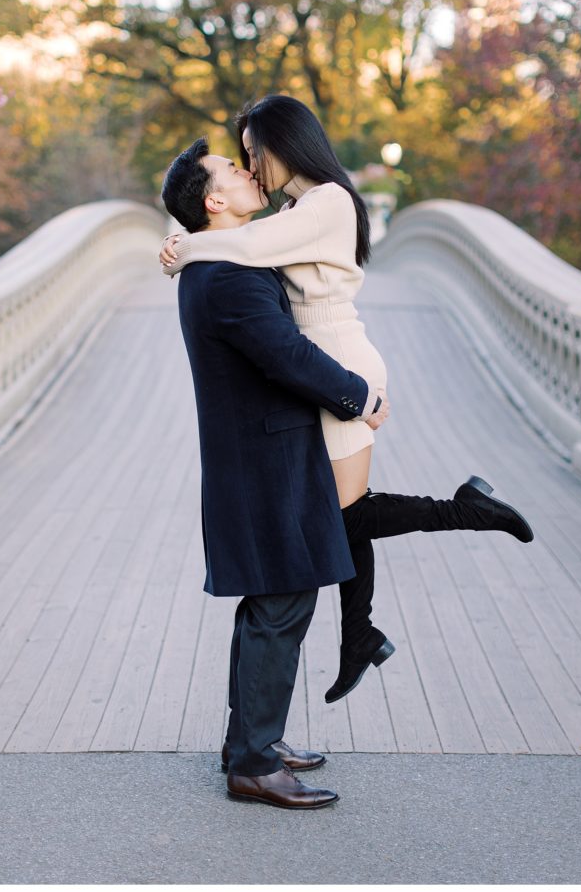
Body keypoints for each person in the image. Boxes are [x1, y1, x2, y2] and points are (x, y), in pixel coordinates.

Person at [160, 95, 534, 704]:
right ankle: (359, 633)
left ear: (285, 143)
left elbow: (247, 248)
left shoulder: (327, 200)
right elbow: (249, 246)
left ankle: (469, 511)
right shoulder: (296, 204)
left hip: (339, 359)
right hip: (325, 363)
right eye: (244, 160)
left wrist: (185, 247)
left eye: (254, 154)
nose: (252, 168)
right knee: (339, 511)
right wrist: (190, 240)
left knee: (337, 515)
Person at [160, 137, 389, 809]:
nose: (247, 169)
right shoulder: (227, 276)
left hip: (263, 454)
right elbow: (284, 353)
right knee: (280, 601)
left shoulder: (227, 260)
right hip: (262, 461)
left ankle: (253, 743)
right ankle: (255, 762)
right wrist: (359, 397)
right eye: (233, 168)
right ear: (215, 201)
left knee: (274, 602)